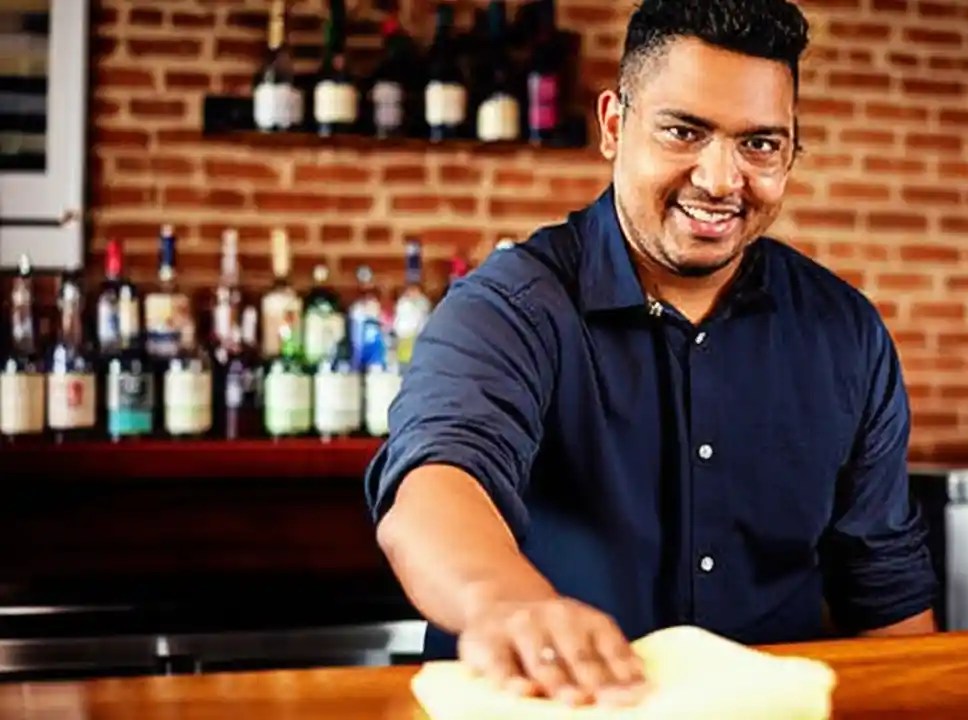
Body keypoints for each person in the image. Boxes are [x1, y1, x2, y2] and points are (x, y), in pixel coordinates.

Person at [364, 0, 937, 708]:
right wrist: (503, 604)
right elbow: (438, 480)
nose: (722, 180)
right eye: (683, 131)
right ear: (614, 125)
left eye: (760, 144)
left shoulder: (844, 333)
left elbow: (885, 589)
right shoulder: (509, 308)